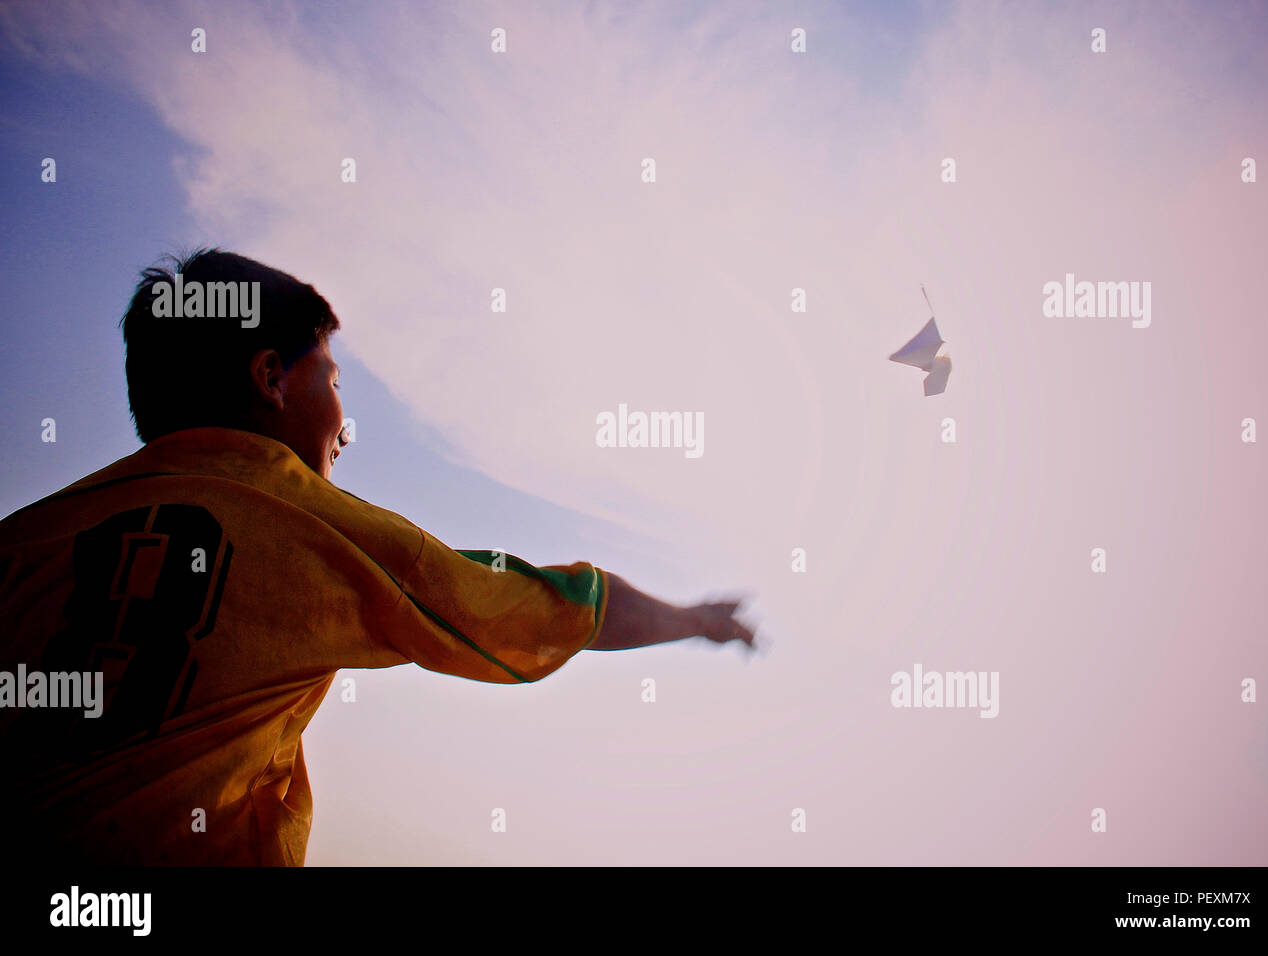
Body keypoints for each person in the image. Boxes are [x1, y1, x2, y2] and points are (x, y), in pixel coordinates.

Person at [0, 248, 756, 866]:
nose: (344, 432)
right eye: (331, 383)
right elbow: (562, 608)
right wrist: (694, 620)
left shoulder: (24, 536)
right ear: (270, 378)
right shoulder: (323, 528)